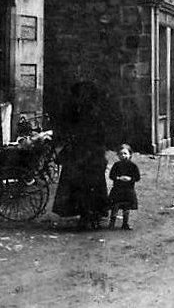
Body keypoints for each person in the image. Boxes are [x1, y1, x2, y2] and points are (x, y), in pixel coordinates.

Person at [52, 82, 109, 230]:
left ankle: (89, 216)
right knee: (84, 187)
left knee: (87, 187)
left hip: (88, 156)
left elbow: (97, 136)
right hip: (85, 155)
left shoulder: (91, 113)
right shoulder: (79, 111)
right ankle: (89, 215)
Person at [108, 144, 141, 230]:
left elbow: (137, 177)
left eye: (125, 154)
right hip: (117, 190)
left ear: (130, 155)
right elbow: (111, 176)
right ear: (118, 155)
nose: (123, 156)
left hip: (128, 190)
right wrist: (118, 178)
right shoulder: (116, 165)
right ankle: (112, 223)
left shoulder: (133, 166)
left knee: (127, 208)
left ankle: (125, 223)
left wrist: (130, 179)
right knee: (115, 206)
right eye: (121, 154)